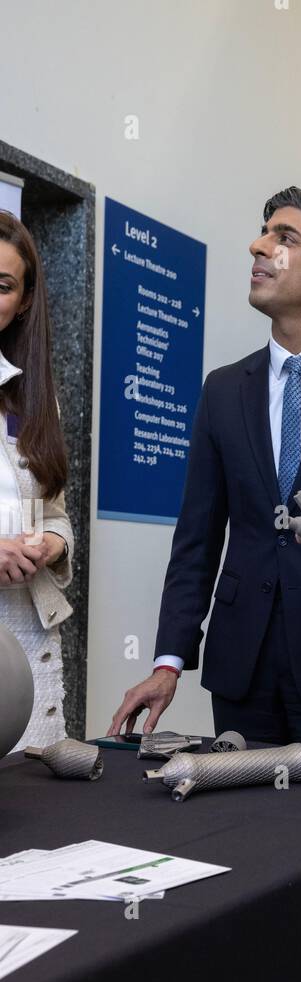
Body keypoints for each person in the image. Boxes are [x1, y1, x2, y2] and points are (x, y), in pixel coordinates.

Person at [110, 188, 301, 754]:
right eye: (263, 232)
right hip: (241, 669)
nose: (258, 247)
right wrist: (168, 661)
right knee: (241, 834)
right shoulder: (224, 389)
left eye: (284, 238)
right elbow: (197, 540)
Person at [0, 211, 73, 752]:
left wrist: (53, 542)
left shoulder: (31, 395)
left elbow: (55, 513)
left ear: (23, 301)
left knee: (37, 822)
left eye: (3, 285)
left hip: (29, 628)